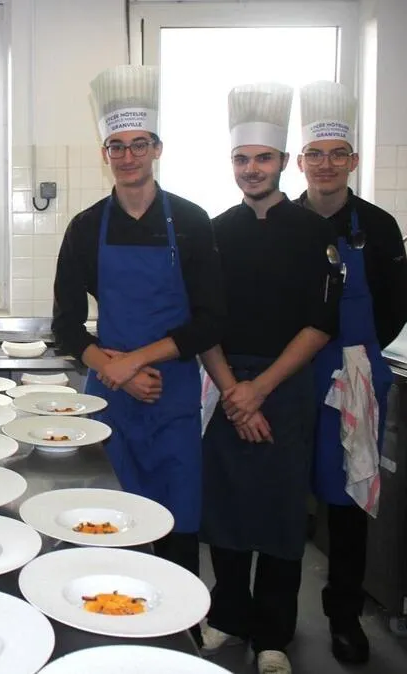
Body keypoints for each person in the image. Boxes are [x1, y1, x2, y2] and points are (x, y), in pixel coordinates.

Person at [52, 65, 224, 581]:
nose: (128, 157)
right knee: (110, 520)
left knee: (177, 522)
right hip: (110, 398)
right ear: (104, 153)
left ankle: (181, 619)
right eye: (117, 147)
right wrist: (114, 369)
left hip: (172, 395)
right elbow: (65, 324)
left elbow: (209, 321)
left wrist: (134, 362)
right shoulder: (85, 228)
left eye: (138, 145)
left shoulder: (191, 222)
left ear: (157, 149)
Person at [200, 82, 343, 674]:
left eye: (262, 158)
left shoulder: (313, 233)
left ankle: (273, 634)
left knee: (283, 513)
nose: (251, 169)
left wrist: (257, 392)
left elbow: (321, 324)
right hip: (225, 381)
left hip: (286, 386)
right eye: (241, 159)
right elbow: (203, 322)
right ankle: (230, 615)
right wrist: (234, 391)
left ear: (283, 162)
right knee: (228, 507)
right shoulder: (214, 231)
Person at [294, 81, 407, 665]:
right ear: (300, 161)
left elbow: (395, 305)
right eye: (316, 154)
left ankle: (344, 617)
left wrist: (356, 356)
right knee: (284, 495)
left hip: (355, 376)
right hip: (291, 374)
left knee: (348, 500)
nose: (326, 164)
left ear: (353, 161)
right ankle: (274, 615)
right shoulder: (283, 223)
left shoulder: (379, 226)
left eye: (337, 154)